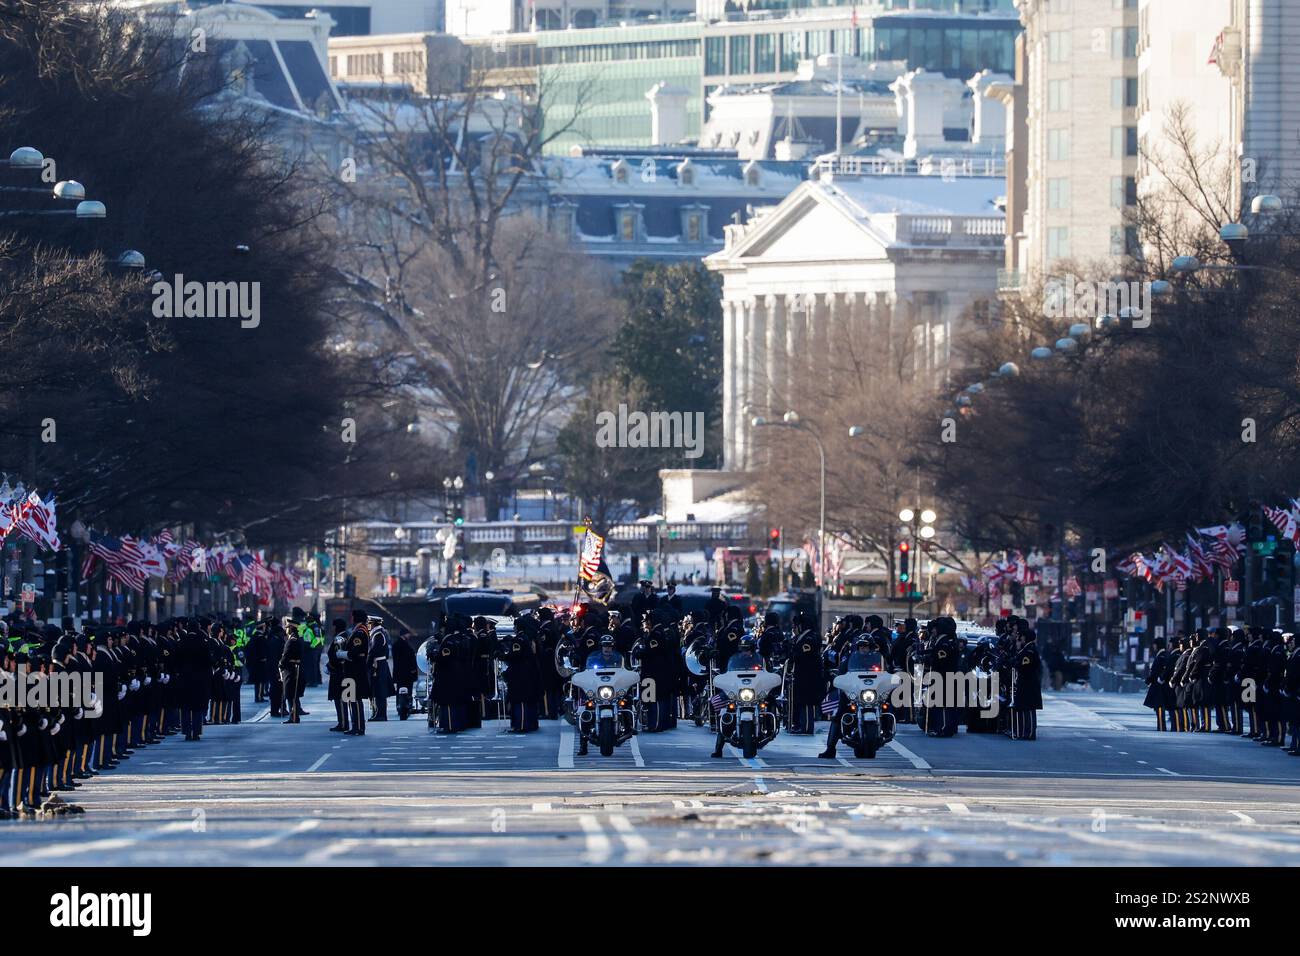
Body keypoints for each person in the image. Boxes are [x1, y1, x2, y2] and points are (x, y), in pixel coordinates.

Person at [1009, 626, 1043, 741]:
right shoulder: (1025, 650)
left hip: (1029, 683)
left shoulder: (1029, 651)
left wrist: (1015, 662)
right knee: (1024, 707)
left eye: (1022, 637)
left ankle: (1029, 732)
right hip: (1026, 683)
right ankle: (1026, 731)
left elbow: (1023, 665)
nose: (1020, 640)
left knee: (1028, 708)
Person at [343, 611, 371, 736]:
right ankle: (355, 725)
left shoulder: (360, 632)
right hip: (354, 669)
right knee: (351, 698)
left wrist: (344, 654)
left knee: (355, 698)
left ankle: (359, 726)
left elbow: (355, 651)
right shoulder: (358, 630)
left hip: (356, 669)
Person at [279, 616, 303, 724]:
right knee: (293, 694)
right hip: (293, 668)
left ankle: (293, 716)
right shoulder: (295, 638)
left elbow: (286, 655)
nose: (286, 629)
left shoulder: (292, 640)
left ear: (291, 628)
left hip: (291, 669)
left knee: (290, 694)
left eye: (288, 627)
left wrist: (281, 664)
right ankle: (294, 715)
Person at [326, 618, 349, 732]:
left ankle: (343, 723)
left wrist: (330, 666)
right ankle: (343, 722)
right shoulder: (346, 635)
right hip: (342, 672)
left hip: (338, 673)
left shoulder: (340, 638)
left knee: (339, 698)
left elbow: (337, 656)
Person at [368, 620, 393, 722]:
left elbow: (374, 651)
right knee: (377, 690)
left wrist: (368, 663)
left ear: (373, 623)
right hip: (379, 664)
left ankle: (381, 714)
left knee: (380, 690)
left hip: (378, 664)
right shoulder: (378, 634)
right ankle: (379, 713)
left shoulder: (378, 635)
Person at [391, 628, 419, 719]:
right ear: (404, 634)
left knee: (400, 689)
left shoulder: (397, 644)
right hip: (406, 673)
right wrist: (412, 669)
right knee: (407, 690)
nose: (409, 635)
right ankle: (406, 706)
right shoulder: (404, 645)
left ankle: (400, 706)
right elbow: (407, 659)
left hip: (400, 673)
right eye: (408, 634)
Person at [1144, 638, 1170, 731]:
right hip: (1157, 684)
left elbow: (1158, 671)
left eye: (1155, 644)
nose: (1153, 646)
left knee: (1159, 705)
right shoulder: (1161, 655)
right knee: (1157, 705)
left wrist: (1150, 679)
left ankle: (1162, 726)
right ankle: (1160, 725)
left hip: (1159, 685)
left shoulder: (1162, 656)